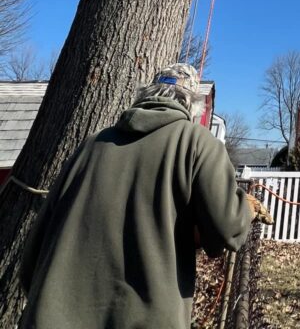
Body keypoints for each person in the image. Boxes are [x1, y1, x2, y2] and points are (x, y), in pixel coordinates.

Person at [18, 62, 272, 329]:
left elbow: (35, 250)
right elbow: (227, 229)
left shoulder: (91, 145)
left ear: (146, 94)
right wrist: (247, 209)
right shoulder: (198, 143)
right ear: (194, 105)